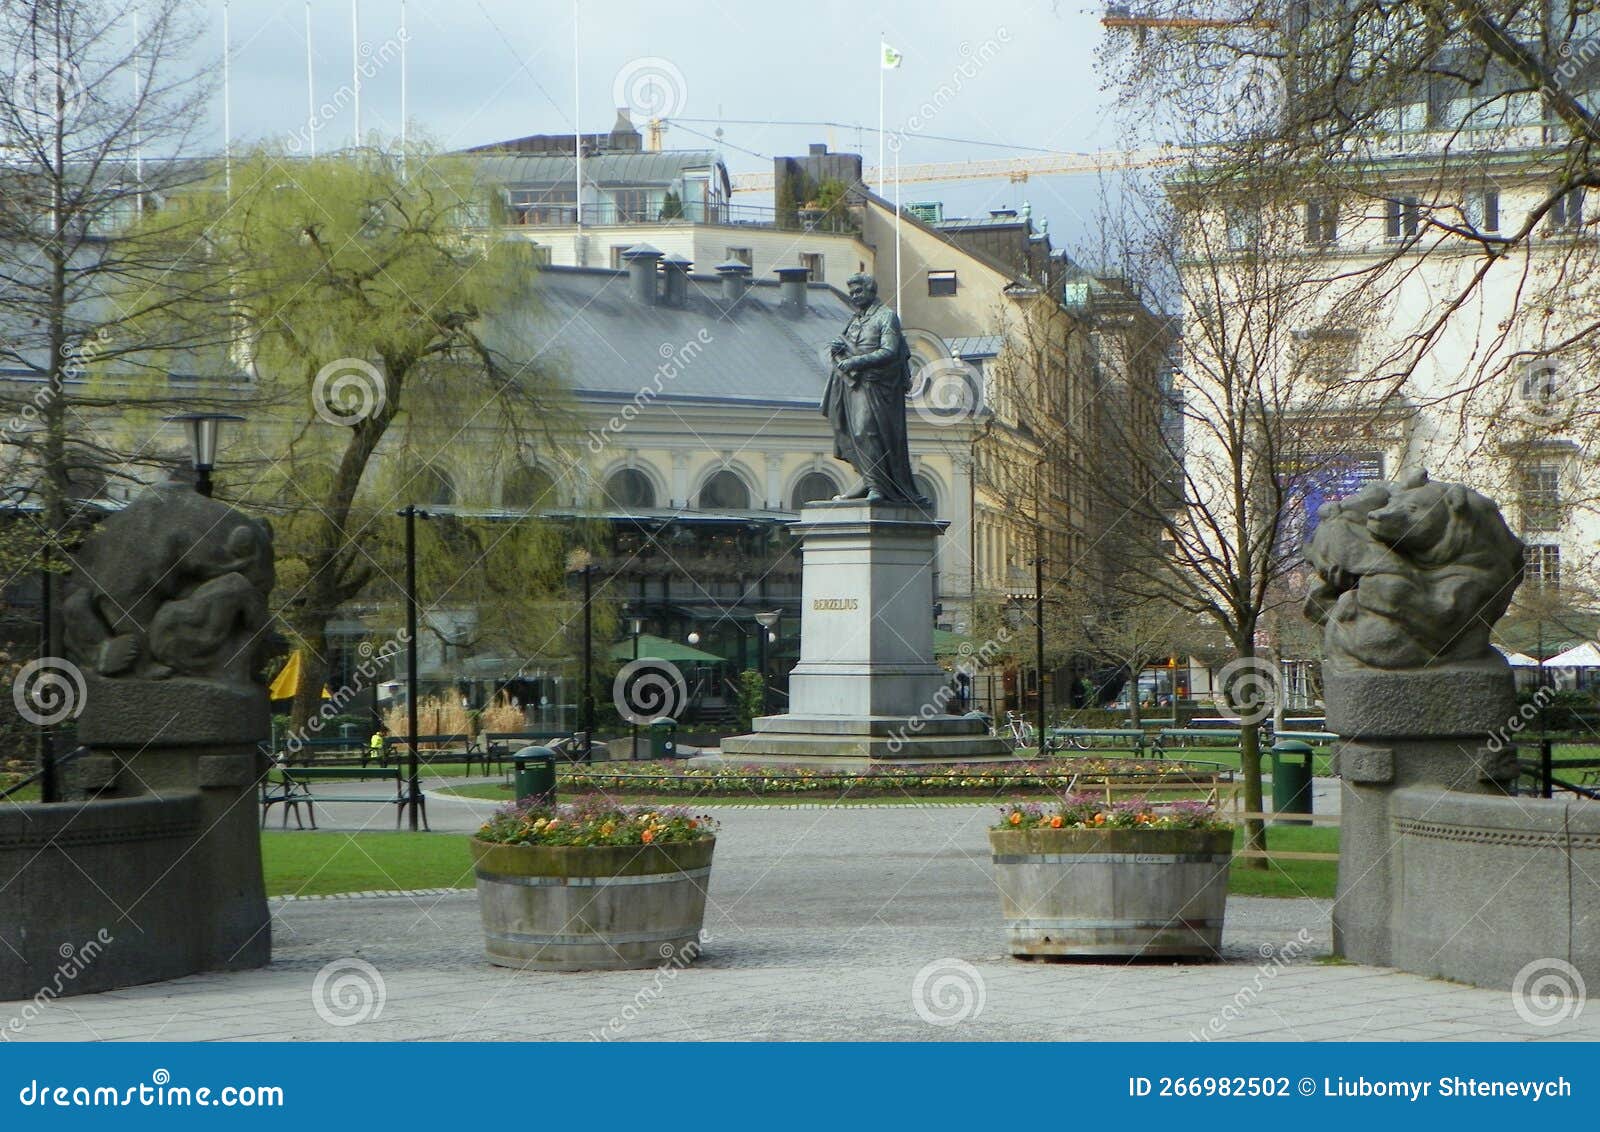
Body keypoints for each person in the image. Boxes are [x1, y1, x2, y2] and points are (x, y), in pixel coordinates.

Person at [821, 273, 928, 506]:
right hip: (851, 384)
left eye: (859, 291)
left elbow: (890, 351)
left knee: (865, 431)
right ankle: (869, 482)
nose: (854, 296)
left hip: (878, 386)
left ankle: (880, 486)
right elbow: (845, 350)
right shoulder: (855, 320)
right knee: (849, 432)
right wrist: (838, 349)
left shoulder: (886, 317)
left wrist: (856, 362)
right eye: (851, 293)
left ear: (872, 291)